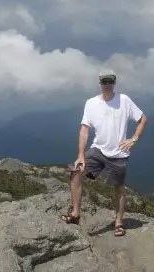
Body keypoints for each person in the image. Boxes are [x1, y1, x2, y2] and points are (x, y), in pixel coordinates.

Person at [61, 69, 148, 237]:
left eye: (110, 81)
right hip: (98, 150)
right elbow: (84, 130)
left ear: (114, 82)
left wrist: (133, 139)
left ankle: (119, 222)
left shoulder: (124, 100)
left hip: (119, 154)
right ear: (100, 83)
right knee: (76, 173)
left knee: (119, 189)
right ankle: (76, 214)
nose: (107, 85)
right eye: (105, 81)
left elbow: (143, 119)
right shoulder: (91, 103)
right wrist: (80, 155)